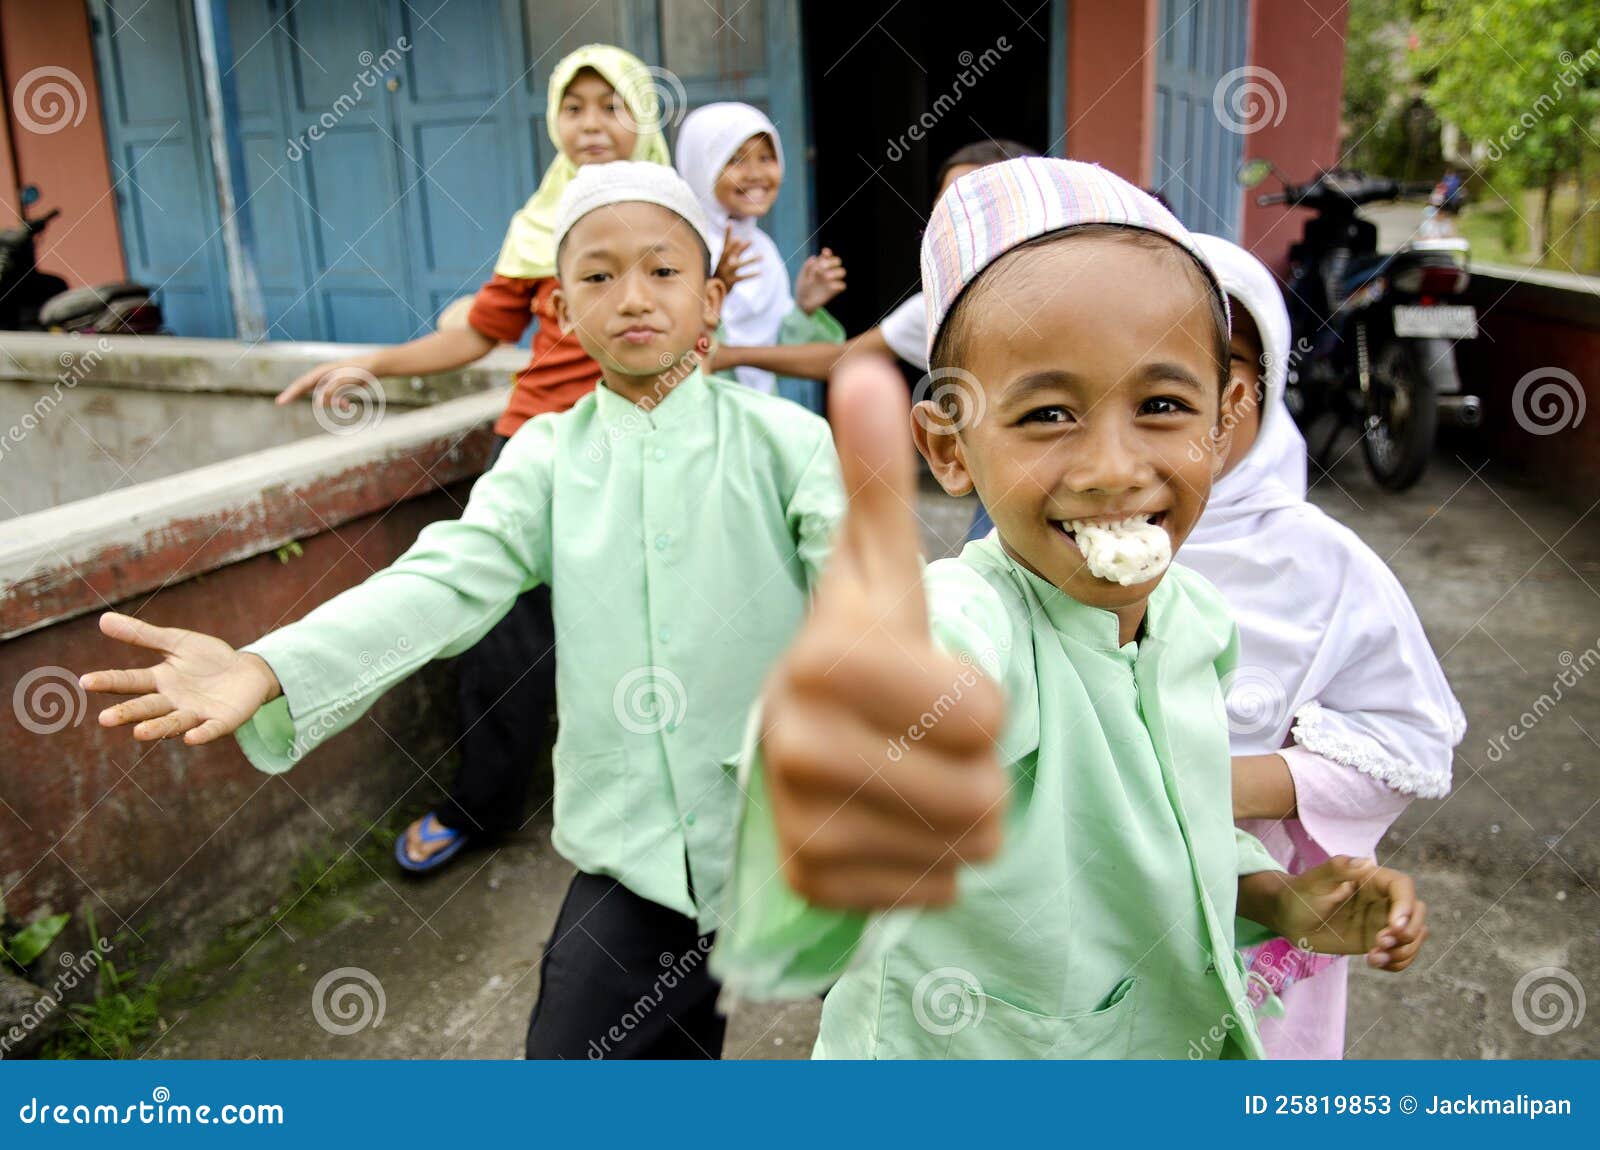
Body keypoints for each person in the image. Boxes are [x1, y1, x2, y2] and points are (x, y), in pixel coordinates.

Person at [80, 162, 844, 1060]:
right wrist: (269, 665)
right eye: (598, 276)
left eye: (664, 271)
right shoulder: (547, 458)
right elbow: (441, 581)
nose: (632, 296)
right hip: (637, 848)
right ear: (561, 312)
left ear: (712, 300)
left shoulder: (786, 443)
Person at [709, 158, 1428, 1059]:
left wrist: (1277, 896)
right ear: (949, 448)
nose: (1113, 468)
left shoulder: (1198, 624)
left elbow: (1174, 819)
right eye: (1048, 415)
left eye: (1163, 404)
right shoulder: (975, 617)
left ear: (1226, 419)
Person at [274, 44, 673, 874]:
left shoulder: (684, 223)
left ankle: (658, 809)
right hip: (536, 445)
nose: (591, 125)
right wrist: (372, 365)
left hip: (646, 447)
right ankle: (485, 804)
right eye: (574, 107)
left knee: (655, 629)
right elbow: (479, 332)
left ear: (646, 115)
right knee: (499, 631)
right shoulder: (537, 227)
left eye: (612, 105)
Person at [1182, 232, 1463, 1059]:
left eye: (1216, 364)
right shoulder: (1054, 546)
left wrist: (1220, 784)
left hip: (1256, 909)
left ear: (1258, 390)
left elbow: (1406, 742)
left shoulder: (1325, 566)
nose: (1175, 397)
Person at [710, 139, 1038, 385]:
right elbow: (841, 359)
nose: (954, 218)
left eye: (976, 202)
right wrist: (733, 351)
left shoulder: (1076, 291)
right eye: (945, 204)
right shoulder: (937, 309)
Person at [673, 102, 847, 395]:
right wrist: (714, 292)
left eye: (766, 158)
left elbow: (776, 356)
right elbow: (672, 350)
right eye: (735, 161)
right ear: (702, 168)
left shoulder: (762, 249)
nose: (755, 174)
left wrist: (803, 308)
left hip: (762, 412)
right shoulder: (681, 246)